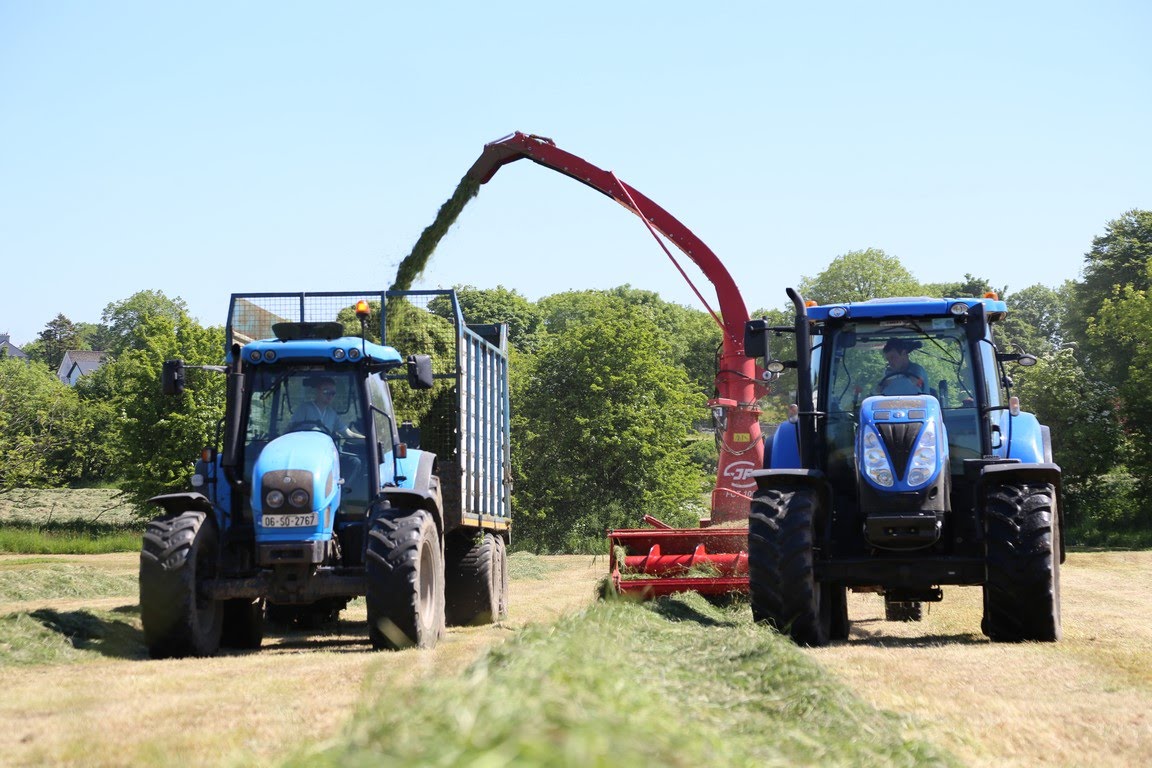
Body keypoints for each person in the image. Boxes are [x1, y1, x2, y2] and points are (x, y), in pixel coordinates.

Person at [292, 376, 363, 438]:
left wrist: (367, 440)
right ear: (318, 391)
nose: (330, 396)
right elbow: (291, 429)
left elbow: (349, 434)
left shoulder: (332, 414)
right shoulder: (304, 408)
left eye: (333, 393)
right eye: (326, 391)